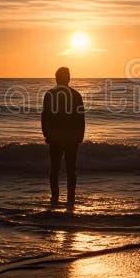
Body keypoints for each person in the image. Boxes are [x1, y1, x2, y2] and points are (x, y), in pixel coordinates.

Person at [41, 67, 85, 208]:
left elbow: (44, 117)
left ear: (56, 78)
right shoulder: (76, 95)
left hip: (55, 137)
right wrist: (80, 136)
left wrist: (46, 134)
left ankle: (55, 199)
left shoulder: (49, 94)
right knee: (71, 170)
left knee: (54, 169)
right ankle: (70, 201)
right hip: (72, 137)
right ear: (68, 78)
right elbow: (80, 118)